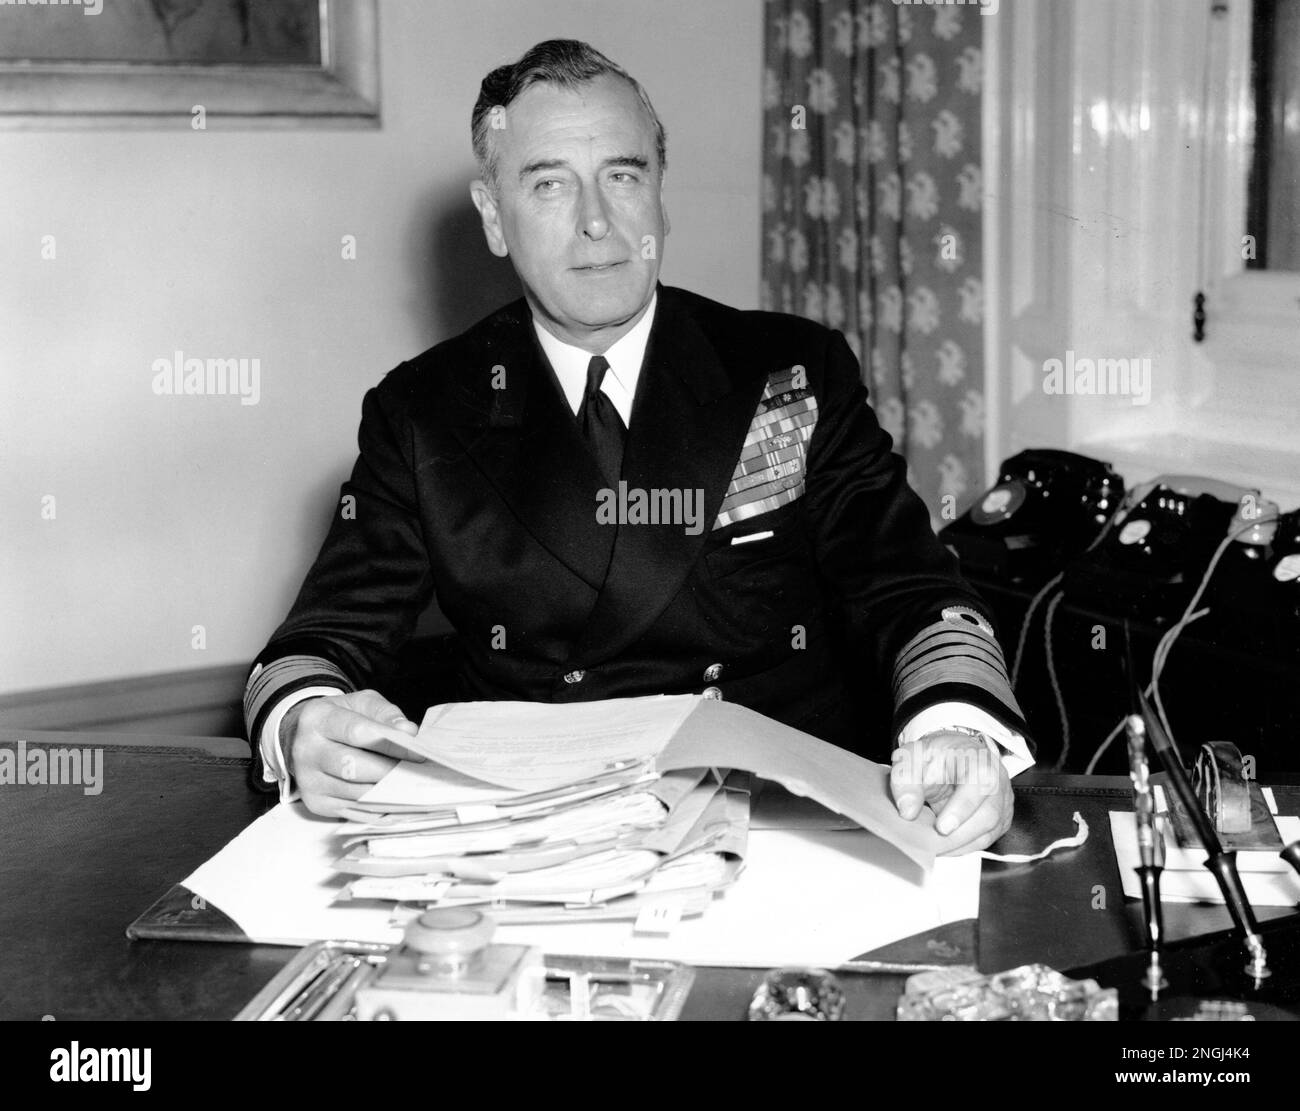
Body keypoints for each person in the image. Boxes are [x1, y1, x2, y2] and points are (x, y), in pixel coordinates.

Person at [244, 39, 1033, 854]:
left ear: (659, 194)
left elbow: (909, 589)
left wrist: (955, 725)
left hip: (786, 830)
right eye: (548, 184)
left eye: (623, 175)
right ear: (492, 216)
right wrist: (308, 720)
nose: (597, 220)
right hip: (537, 844)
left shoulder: (786, 373)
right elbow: (312, 648)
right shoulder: (422, 411)